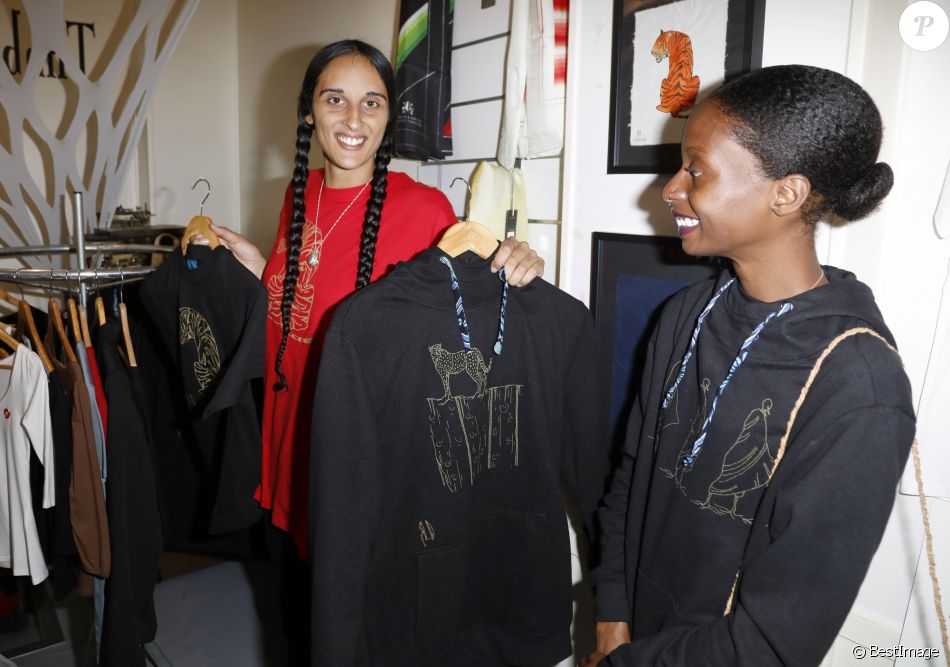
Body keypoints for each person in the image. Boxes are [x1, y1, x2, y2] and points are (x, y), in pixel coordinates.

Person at [194, 39, 543, 660]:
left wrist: (516, 261)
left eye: (372, 103)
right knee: (295, 634)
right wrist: (259, 269)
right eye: (335, 100)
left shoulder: (425, 210)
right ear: (309, 112)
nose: (353, 119)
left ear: (388, 116)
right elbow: (300, 314)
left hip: (361, 476)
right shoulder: (297, 196)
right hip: (287, 458)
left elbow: (474, 314)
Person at [583, 65, 915, 665]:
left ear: (785, 194)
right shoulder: (685, 313)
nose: (670, 189)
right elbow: (631, 475)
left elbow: (775, 639)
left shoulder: (858, 383)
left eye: (696, 170)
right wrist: (611, 613)